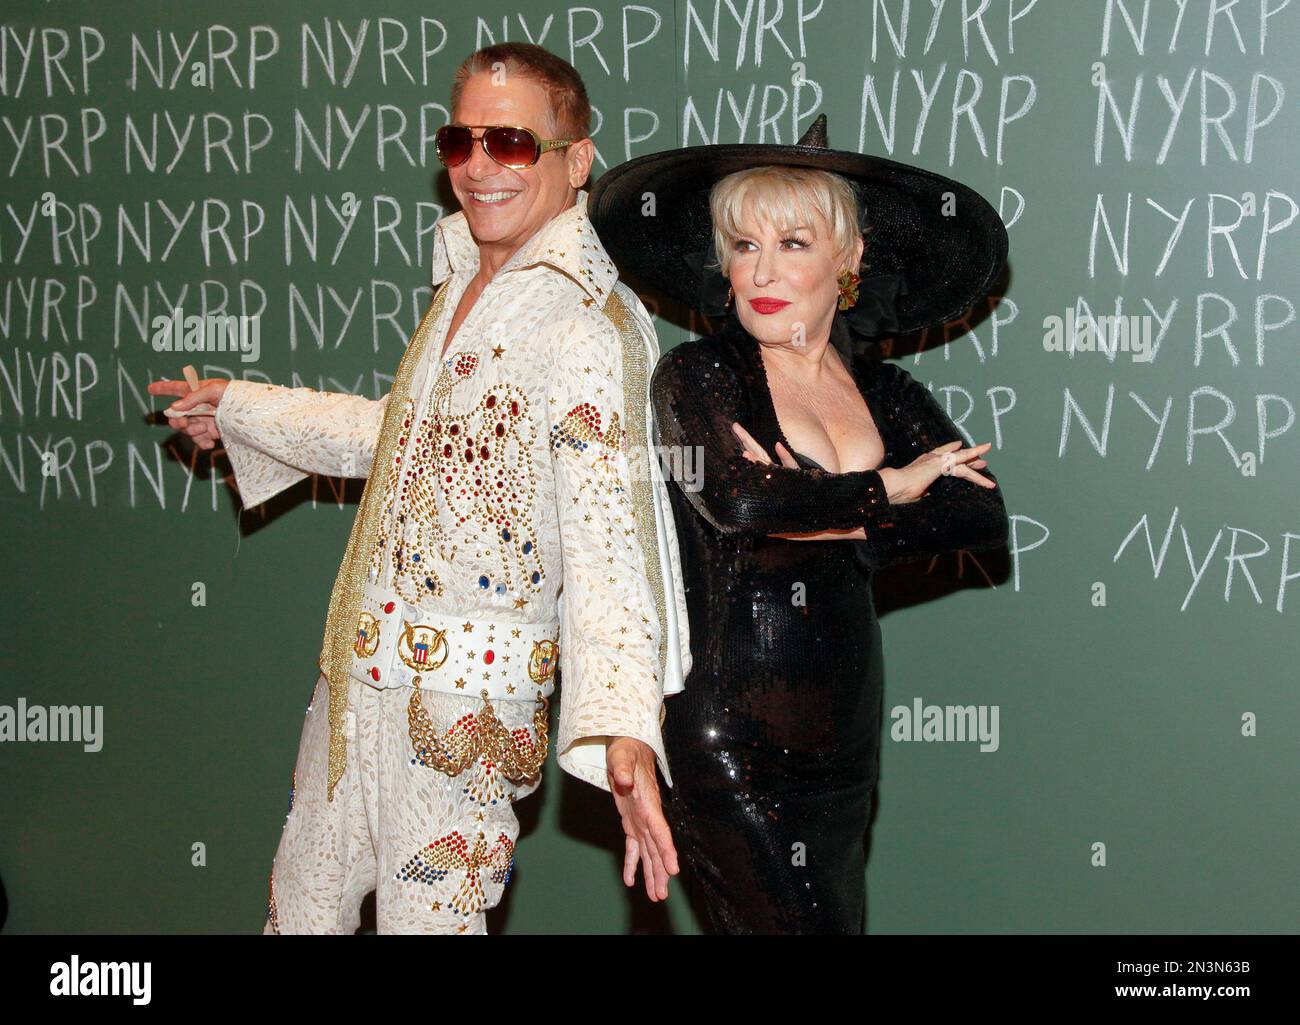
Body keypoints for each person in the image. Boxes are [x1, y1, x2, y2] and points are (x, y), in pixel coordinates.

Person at [146, 42, 691, 934]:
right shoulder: (463, 289)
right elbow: (396, 434)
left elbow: (612, 537)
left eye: (511, 143)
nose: (480, 167)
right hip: (353, 690)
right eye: (461, 142)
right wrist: (238, 409)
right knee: (300, 911)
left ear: (576, 159)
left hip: (464, 718)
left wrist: (627, 722)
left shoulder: (589, 327)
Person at [588, 115, 1010, 933]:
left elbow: (981, 513)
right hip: (728, 735)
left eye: (792, 242)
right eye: (742, 246)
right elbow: (741, 501)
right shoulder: (700, 374)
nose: (762, 271)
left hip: (845, 738)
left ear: (847, 259)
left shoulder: (884, 392)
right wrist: (888, 488)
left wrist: (822, 513)